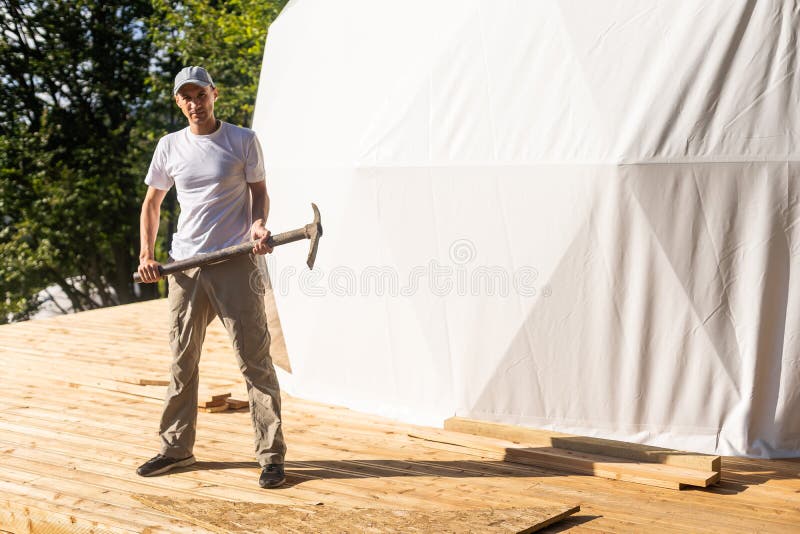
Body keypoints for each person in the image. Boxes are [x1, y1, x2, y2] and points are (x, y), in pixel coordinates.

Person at [135, 66, 286, 489]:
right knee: (182, 361)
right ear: (178, 102)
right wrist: (147, 255)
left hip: (234, 262)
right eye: (185, 97)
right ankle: (175, 449)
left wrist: (258, 226)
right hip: (184, 268)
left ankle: (271, 456)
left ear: (213, 95)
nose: (193, 103)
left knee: (255, 361)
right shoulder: (169, 146)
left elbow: (259, 191)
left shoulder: (241, 140)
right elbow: (152, 203)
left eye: (199, 94)